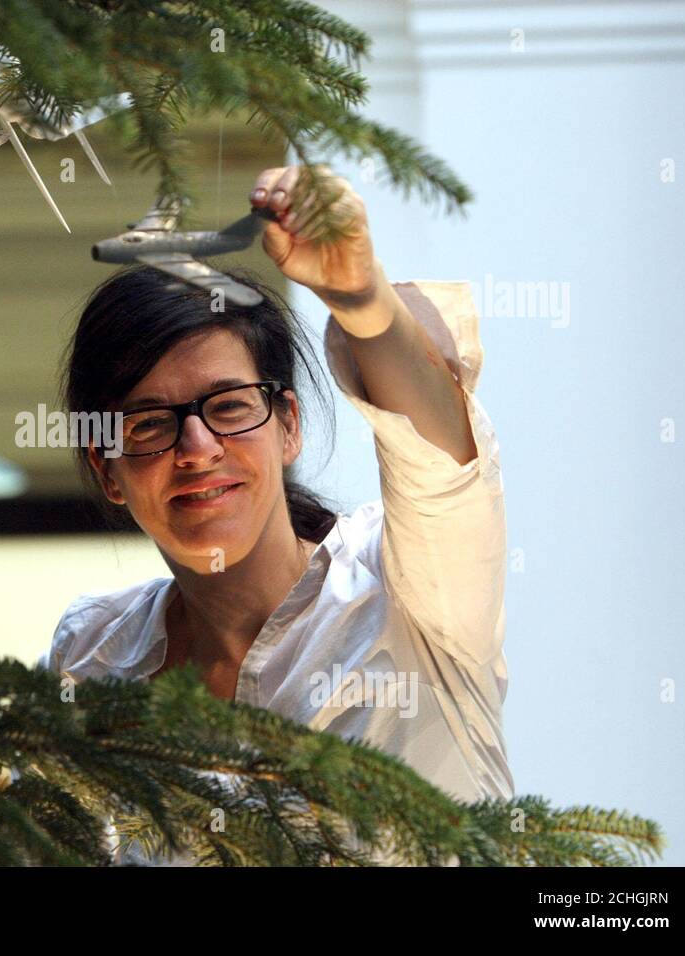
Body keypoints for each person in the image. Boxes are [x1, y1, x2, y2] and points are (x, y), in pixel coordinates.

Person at [38, 165, 513, 865]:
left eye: (229, 407)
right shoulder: (91, 656)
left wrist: (360, 295)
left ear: (288, 426)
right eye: (148, 424)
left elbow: (442, 460)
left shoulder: (404, 586)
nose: (197, 449)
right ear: (108, 468)